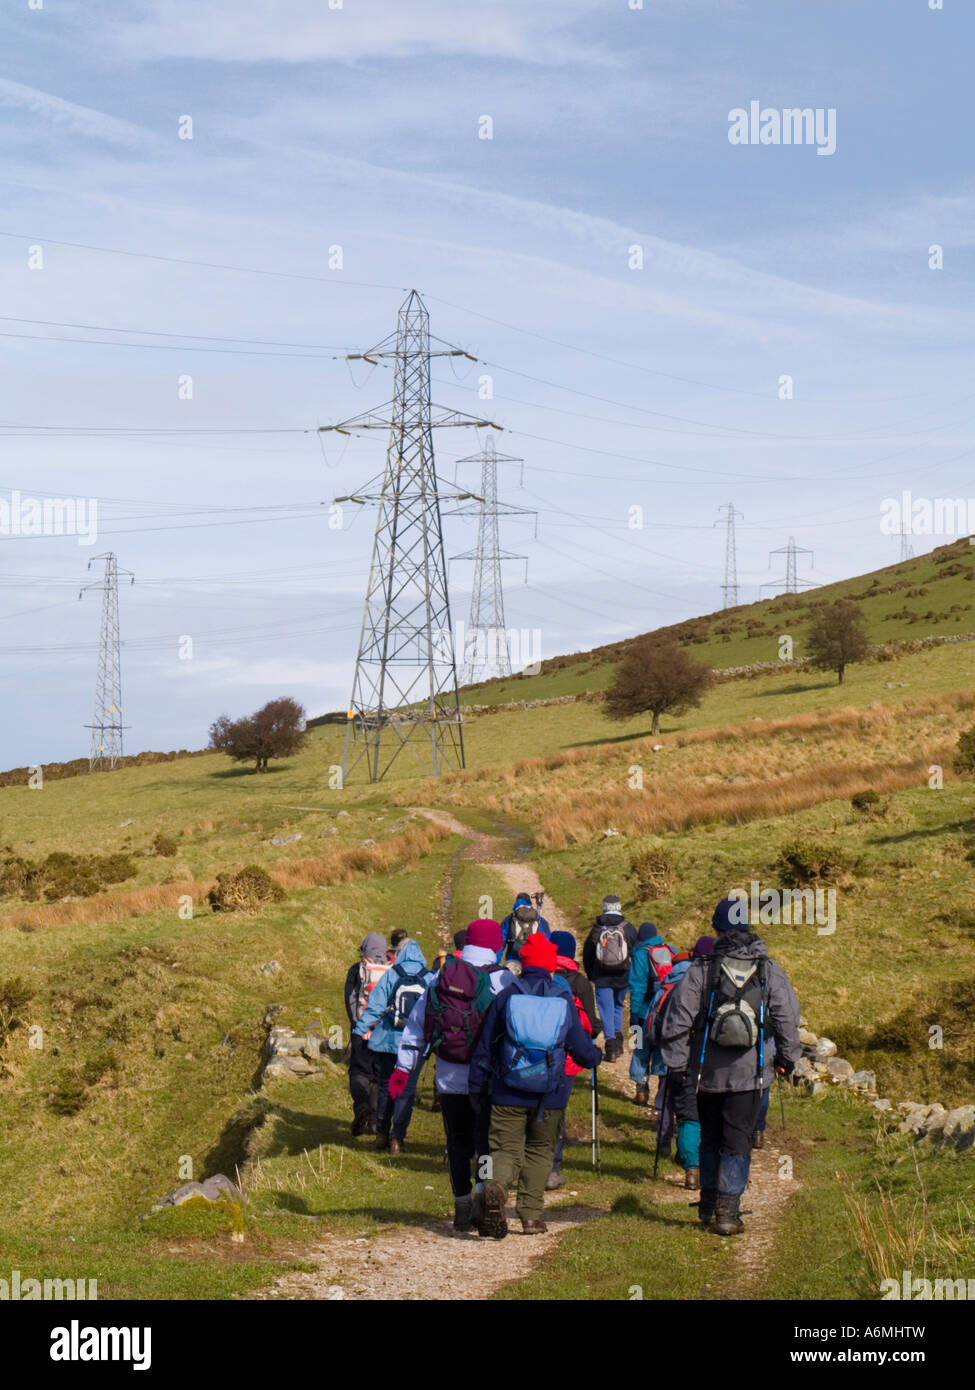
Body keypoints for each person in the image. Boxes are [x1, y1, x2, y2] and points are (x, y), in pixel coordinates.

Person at [661, 898, 801, 1236]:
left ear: (717, 929)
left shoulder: (703, 968)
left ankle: (708, 1204)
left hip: (706, 1074)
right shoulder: (768, 969)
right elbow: (787, 1016)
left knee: (709, 1137)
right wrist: (786, 1058)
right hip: (751, 1076)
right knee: (737, 1140)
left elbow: (677, 1019)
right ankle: (727, 1211)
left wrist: (677, 1063)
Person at [469, 933, 601, 1238]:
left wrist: (477, 1085)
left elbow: (485, 1046)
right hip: (550, 1094)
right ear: (550, 965)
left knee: (504, 1149)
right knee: (541, 1151)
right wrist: (595, 1056)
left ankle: (497, 1188)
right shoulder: (561, 998)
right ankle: (530, 1217)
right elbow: (581, 1048)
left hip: (507, 1090)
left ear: (524, 964)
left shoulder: (505, 997)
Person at [390, 920, 515, 1231]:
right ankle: (480, 1196)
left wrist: (403, 1069)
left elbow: (416, 1028)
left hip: (448, 1077)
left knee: (457, 1143)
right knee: (485, 1142)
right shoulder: (504, 981)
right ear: (495, 945)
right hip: (487, 1079)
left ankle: (460, 1207)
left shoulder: (440, 978)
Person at [353, 935, 428, 1154]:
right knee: (406, 1090)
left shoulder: (392, 974)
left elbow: (375, 1007)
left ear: (400, 955)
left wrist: (360, 1030)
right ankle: (398, 1139)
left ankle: (381, 1135)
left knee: (386, 1087)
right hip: (414, 1045)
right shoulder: (429, 977)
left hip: (387, 1040)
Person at [548, 930, 602, 1190]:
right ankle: (551, 1168)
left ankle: (527, 1163)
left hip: (535, 1056)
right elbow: (591, 1025)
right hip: (568, 1059)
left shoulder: (541, 975)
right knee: (557, 1111)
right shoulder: (580, 982)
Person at [343, 933, 391, 1137]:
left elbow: (350, 999)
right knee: (380, 1077)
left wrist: (357, 1024)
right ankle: (374, 1122)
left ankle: (361, 1106)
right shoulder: (393, 970)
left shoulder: (357, 969)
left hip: (361, 1030)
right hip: (385, 1033)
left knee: (358, 1072)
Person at [582, 895, 638, 1061]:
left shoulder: (598, 929)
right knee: (618, 1007)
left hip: (602, 977)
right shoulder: (627, 927)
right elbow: (636, 951)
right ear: (619, 907)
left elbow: (588, 954)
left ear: (604, 907)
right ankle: (619, 1042)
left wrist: (591, 974)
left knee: (606, 1010)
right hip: (623, 975)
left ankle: (611, 1046)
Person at [627, 923, 676, 1105]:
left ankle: (641, 1091)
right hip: (665, 1010)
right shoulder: (671, 950)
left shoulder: (640, 955)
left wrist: (634, 1013)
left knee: (640, 1047)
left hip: (644, 1011)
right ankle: (661, 1095)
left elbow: (637, 987)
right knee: (661, 1049)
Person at [499, 893, 551, 965]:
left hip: (513, 961)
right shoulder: (539, 920)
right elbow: (547, 941)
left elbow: (500, 941)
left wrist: (495, 963)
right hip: (533, 961)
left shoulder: (510, 919)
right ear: (530, 903)